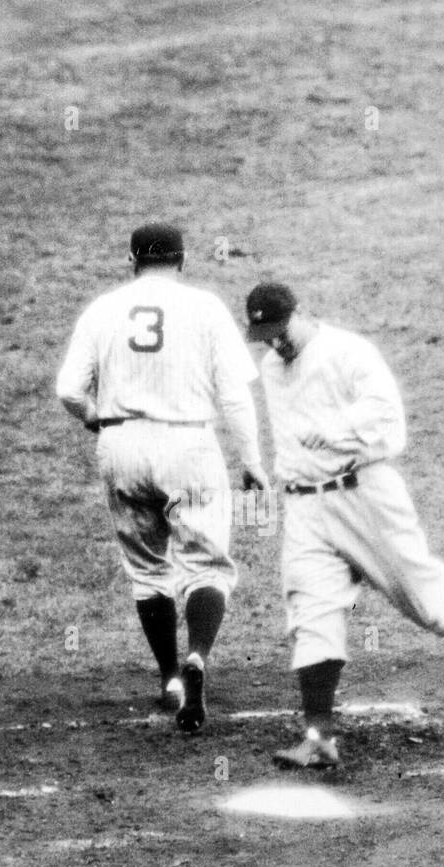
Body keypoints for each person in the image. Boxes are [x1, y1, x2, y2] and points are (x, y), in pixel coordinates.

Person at [242, 283, 444, 769]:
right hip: (305, 510)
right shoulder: (272, 368)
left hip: (365, 495)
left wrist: (334, 431)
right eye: (265, 336)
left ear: (301, 313)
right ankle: (318, 738)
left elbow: (390, 423)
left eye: (280, 331)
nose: (275, 343)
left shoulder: (349, 352)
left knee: (426, 601)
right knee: (310, 612)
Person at [56, 223, 269, 732]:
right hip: (189, 443)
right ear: (182, 260)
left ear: (132, 259)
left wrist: (94, 418)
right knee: (207, 566)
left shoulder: (102, 309)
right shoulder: (205, 307)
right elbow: (236, 395)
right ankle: (198, 656)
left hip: (121, 444)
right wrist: (253, 461)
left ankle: (170, 677)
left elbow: (68, 389)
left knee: (148, 570)